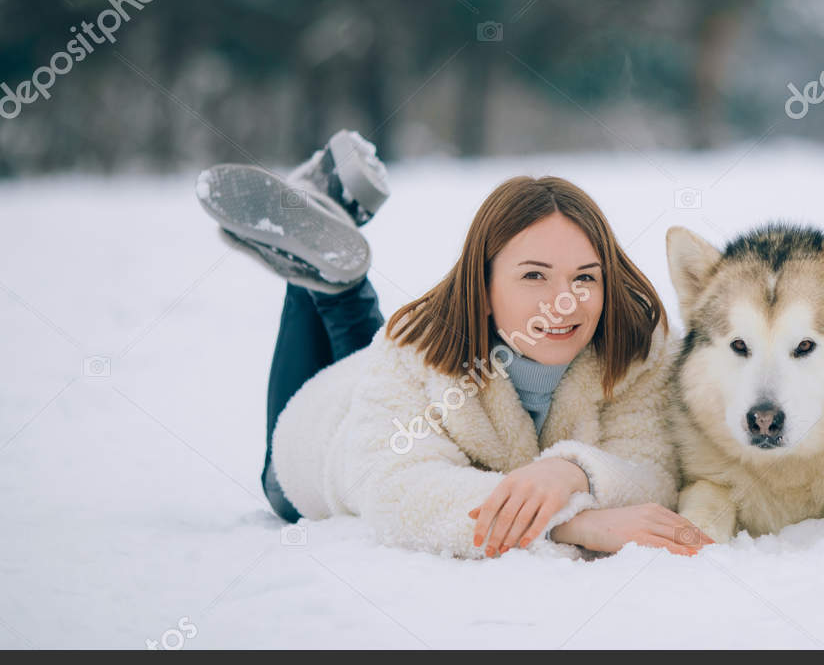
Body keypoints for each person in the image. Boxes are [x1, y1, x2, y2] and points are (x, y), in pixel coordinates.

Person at [196, 131, 710, 559]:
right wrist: (570, 522)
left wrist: (570, 469)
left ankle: (325, 230)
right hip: (324, 435)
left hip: (387, 377)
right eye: (534, 275)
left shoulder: (638, 351)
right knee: (287, 470)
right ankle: (324, 262)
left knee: (345, 300)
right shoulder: (413, 352)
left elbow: (654, 468)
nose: (565, 303)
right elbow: (399, 493)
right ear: (483, 288)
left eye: (585, 278)